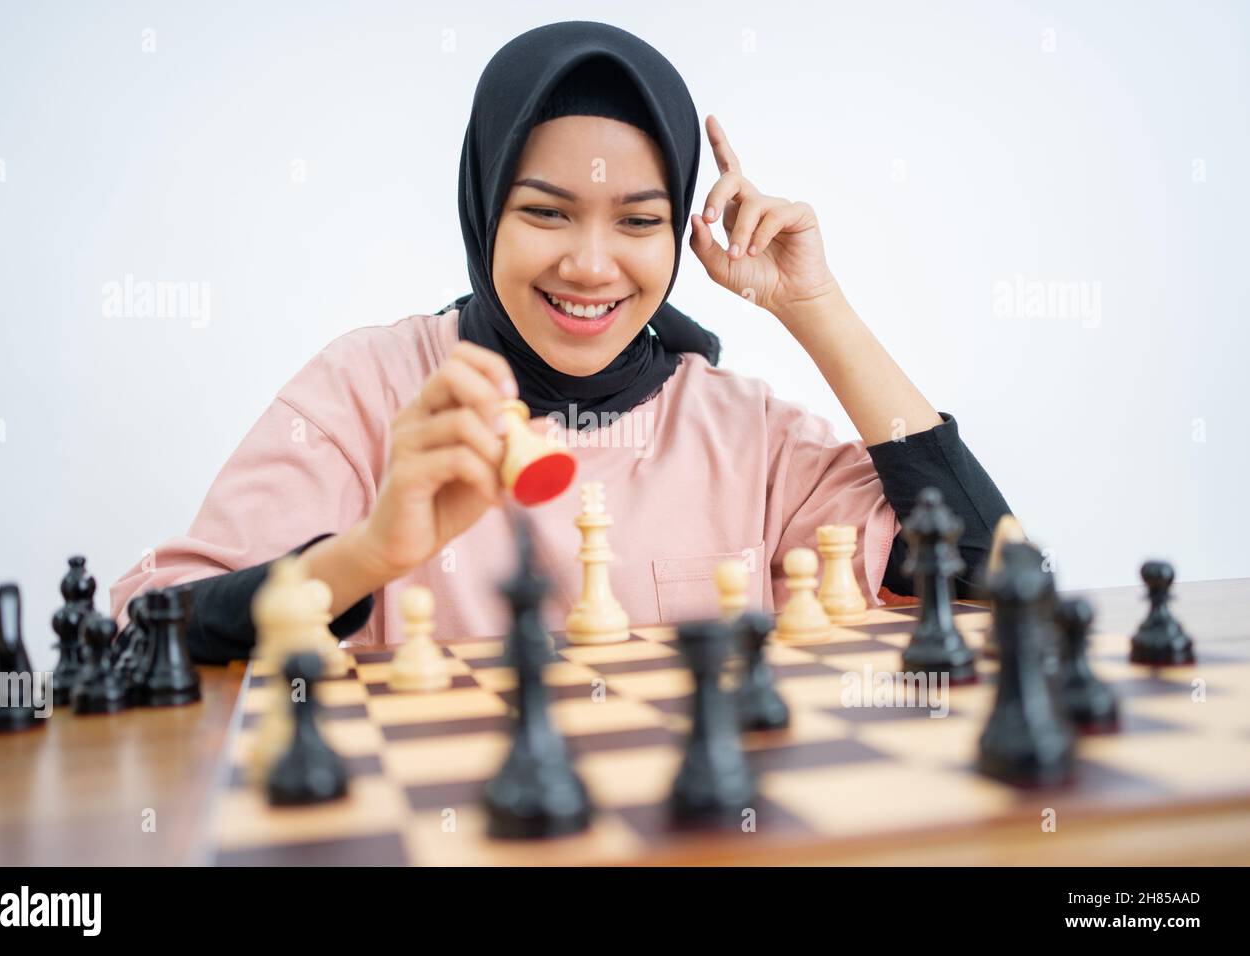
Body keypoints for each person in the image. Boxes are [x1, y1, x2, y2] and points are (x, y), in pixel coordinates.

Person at [110, 21, 1011, 663]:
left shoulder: (750, 432)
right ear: (485, 209)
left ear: (678, 236)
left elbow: (992, 576)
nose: (590, 264)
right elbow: (140, 637)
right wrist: (368, 554)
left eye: (638, 221)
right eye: (545, 212)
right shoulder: (365, 391)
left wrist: (818, 306)